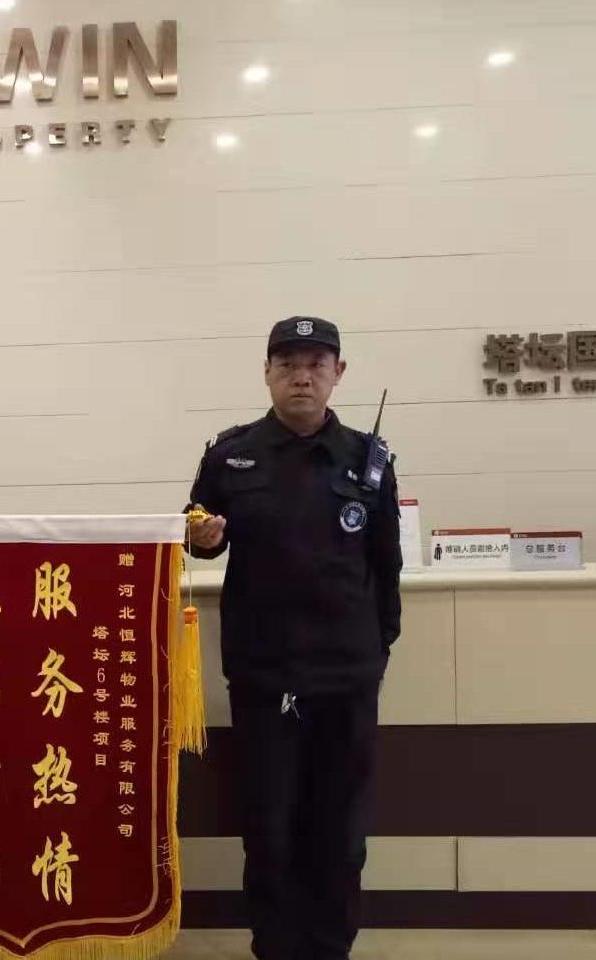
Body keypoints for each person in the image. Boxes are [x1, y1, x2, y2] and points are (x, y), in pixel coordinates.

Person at [186, 316, 402, 960]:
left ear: (338, 373)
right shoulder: (229, 456)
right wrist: (201, 538)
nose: (301, 377)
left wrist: (377, 650)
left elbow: (386, 564)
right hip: (264, 672)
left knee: (340, 827)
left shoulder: (369, 459)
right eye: (287, 364)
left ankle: (330, 946)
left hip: (346, 675)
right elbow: (199, 535)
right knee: (269, 823)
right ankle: (276, 947)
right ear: (267, 373)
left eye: (315, 364)